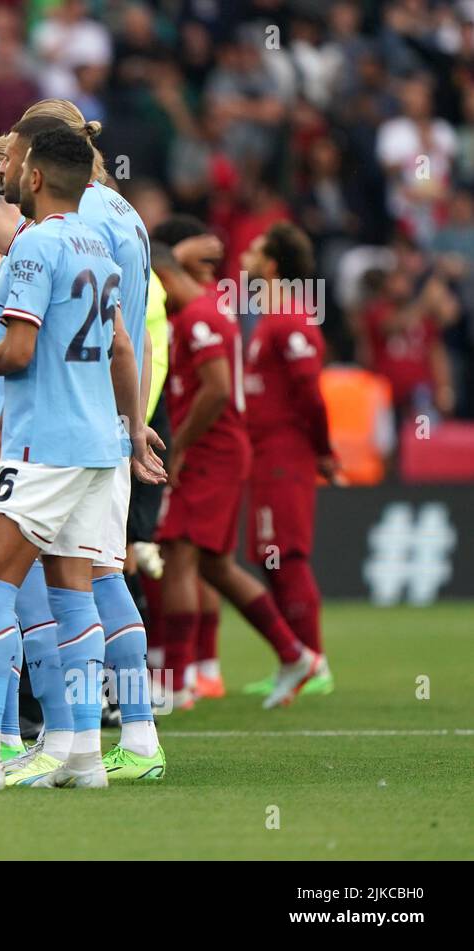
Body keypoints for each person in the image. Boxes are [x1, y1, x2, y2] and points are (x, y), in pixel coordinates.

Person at [0, 125, 164, 792]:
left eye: (19, 162)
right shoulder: (97, 248)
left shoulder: (33, 248)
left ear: (38, 179)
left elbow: (17, 353)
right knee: (73, 590)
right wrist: (133, 433)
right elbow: (119, 349)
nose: (12, 171)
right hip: (95, 451)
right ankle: (82, 753)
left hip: (42, 444)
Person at [18, 100, 164, 781]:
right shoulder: (124, 212)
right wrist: (133, 420)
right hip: (107, 418)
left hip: (76, 421)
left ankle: (88, 738)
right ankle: (132, 733)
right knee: (101, 573)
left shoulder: (75, 223)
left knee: (80, 579)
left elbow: (112, 334)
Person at [152, 242, 322, 712]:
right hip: (222, 452)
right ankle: (294, 654)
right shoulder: (207, 311)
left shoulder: (198, 319)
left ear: (163, 281)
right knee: (213, 566)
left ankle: (175, 682)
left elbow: (219, 389)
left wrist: (181, 446)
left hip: (210, 453)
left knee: (178, 556)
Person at [240, 222, 337, 697]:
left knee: (288, 557)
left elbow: (311, 396)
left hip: (286, 455)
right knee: (272, 559)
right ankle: (295, 659)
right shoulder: (269, 318)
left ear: (272, 265)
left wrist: (322, 451)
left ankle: (313, 663)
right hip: (264, 455)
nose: (246, 255)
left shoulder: (292, 320)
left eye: (256, 249)